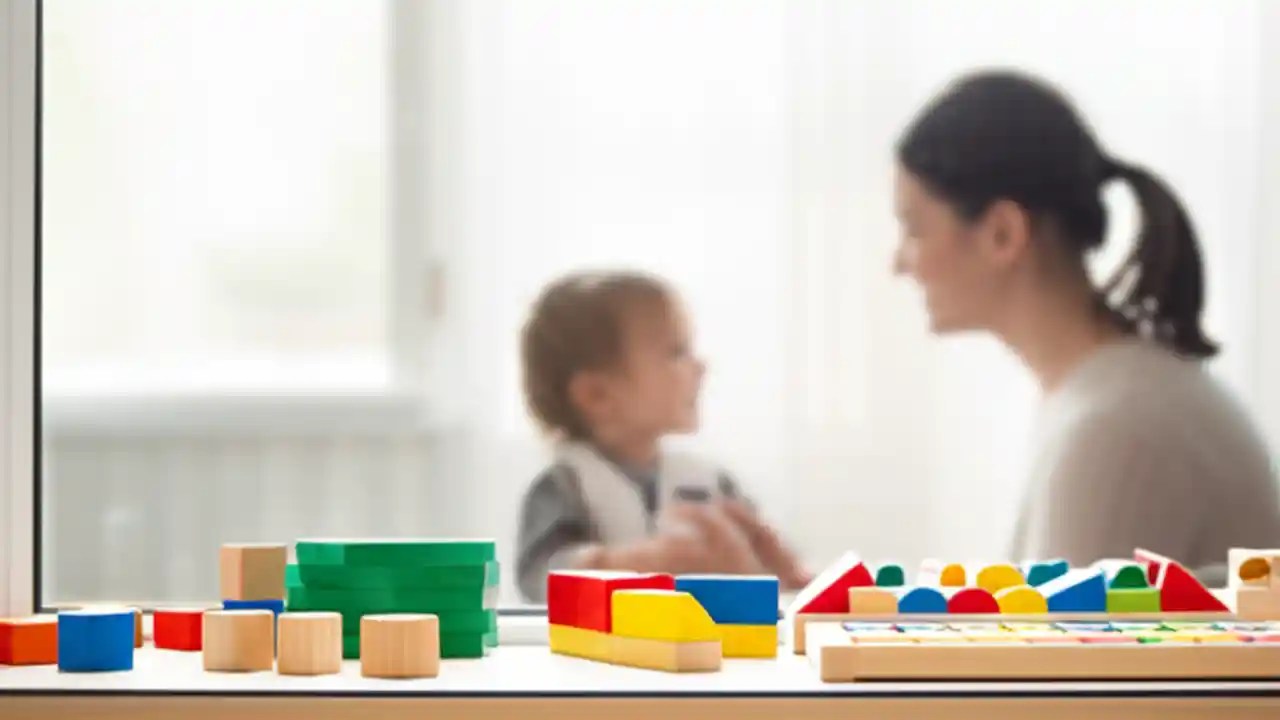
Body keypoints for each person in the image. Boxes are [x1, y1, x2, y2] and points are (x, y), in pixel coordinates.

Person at [891, 70, 1280, 571]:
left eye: (914, 228)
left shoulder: (1117, 428)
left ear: (1003, 234)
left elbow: (1059, 649)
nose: (899, 262)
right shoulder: (1109, 397)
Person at [514, 270, 811, 602]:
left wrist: (780, 570)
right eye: (676, 352)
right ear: (597, 394)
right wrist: (623, 565)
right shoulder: (566, 486)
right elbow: (538, 578)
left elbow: (777, 580)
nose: (700, 366)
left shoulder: (712, 484)